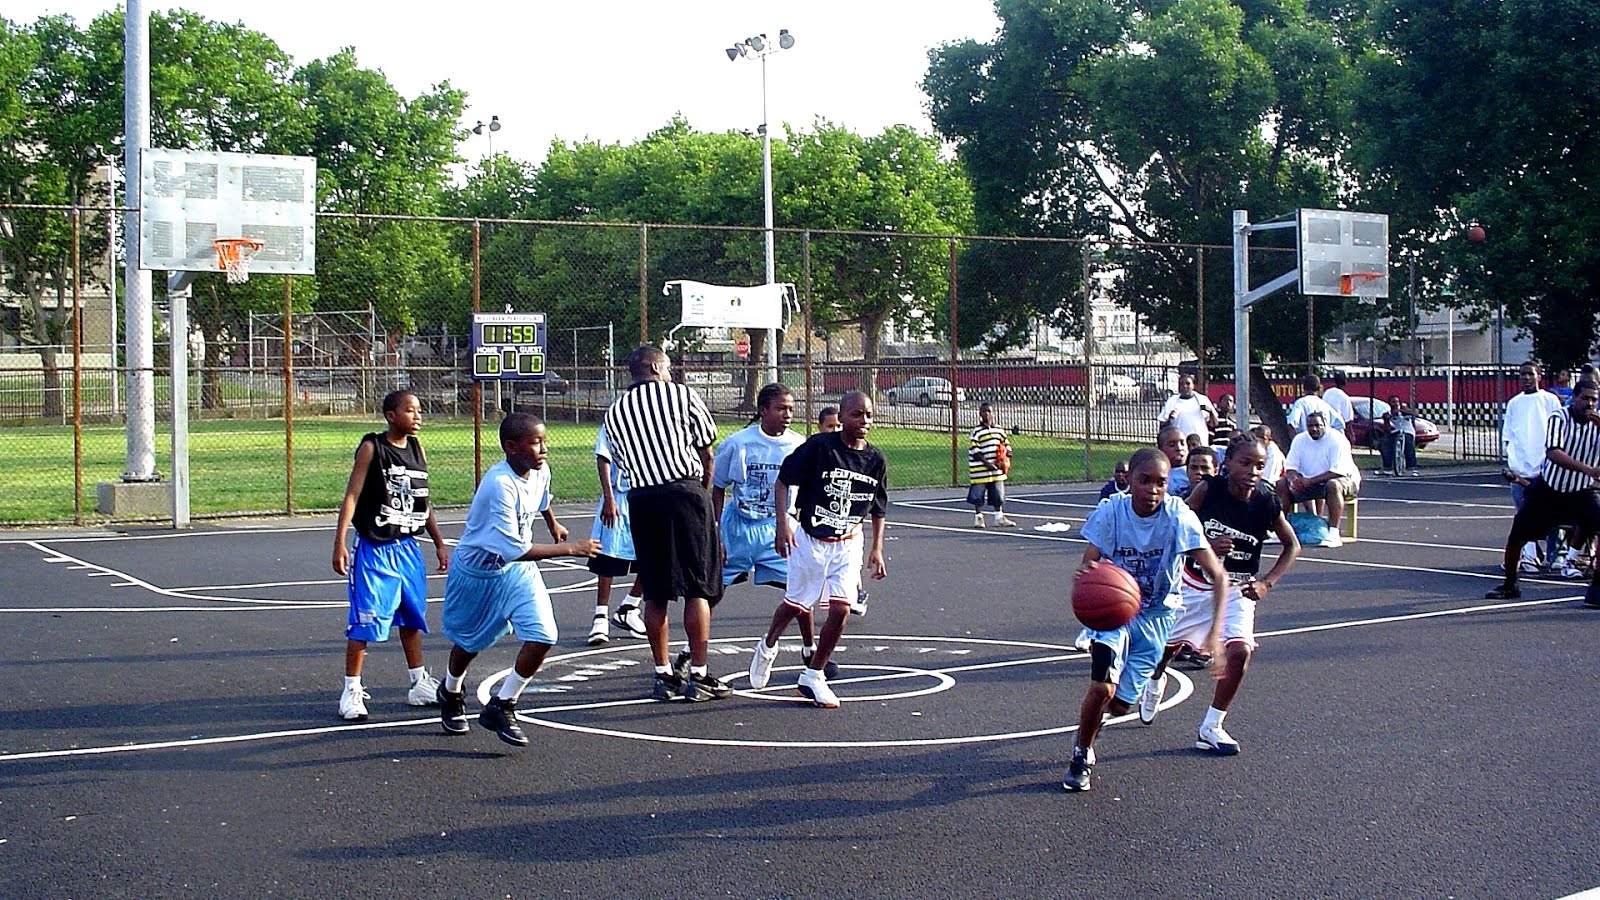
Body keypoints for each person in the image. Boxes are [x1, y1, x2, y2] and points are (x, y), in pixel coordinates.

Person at [1062, 447, 1228, 792]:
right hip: (1116, 613)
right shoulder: (1112, 512)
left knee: (1121, 704)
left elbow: (1218, 575)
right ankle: (1081, 754)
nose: (1153, 489)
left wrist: (1215, 634)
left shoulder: (1178, 517)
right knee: (1102, 686)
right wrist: (1089, 581)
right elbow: (1088, 563)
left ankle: (1093, 724)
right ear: (1130, 480)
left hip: (1156, 615)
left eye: (1161, 483)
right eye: (1145, 480)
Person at [435, 413, 600, 746]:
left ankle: (503, 704)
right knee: (469, 643)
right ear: (511, 447)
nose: (544, 449)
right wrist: (570, 548)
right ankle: (451, 691)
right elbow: (514, 549)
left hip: (517, 572)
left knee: (544, 635)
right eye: (536, 443)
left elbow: (541, 499)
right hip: (479, 572)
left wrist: (552, 522)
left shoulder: (540, 470)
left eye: (544, 441)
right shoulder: (499, 484)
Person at [1137, 434, 1301, 755]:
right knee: (1165, 650)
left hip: (1237, 589)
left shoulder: (1266, 501)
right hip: (1193, 584)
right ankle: (1155, 679)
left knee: (1240, 651)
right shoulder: (1208, 490)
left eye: (1260, 465)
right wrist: (1205, 547)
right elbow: (1176, 526)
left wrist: (1267, 583)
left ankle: (1212, 726)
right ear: (1227, 464)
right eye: (1245, 463)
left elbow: (1292, 545)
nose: (1253, 471)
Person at [601, 345, 731, 702]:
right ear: (657, 367)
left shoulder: (615, 411)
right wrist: (702, 491)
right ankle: (699, 674)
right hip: (684, 493)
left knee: (656, 590)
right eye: (669, 367)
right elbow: (706, 448)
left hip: (642, 499)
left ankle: (663, 675)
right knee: (698, 587)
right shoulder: (681, 395)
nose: (671, 373)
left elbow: (621, 458)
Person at [748, 391, 889, 708]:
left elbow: (879, 508)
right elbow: (783, 481)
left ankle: (813, 675)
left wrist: (877, 548)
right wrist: (782, 524)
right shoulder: (820, 447)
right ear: (842, 417)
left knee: (841, 609)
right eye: (856, 414)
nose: (863, 420)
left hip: (848, 542)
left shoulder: (876, 460)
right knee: (795, 604)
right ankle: (768, 645)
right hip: (811, 541)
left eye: (868, 414)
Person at [330, 389, 451, 722]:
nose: (418, 416)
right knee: (365, 622)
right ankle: (351, 690)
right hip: (375, 548)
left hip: (408, 548)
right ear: (391, 415)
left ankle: (418, 683)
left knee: (411, 618)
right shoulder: (372, 447)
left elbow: (422, 501)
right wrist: (340, 542)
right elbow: (352, 495)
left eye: (419, 410)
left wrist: (438, 541)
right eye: (410, 410)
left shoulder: (417, 449)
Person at [713, 383, 834, 675]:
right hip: (740, 526)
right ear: (763, 410)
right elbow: (717, 488)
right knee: (712, 590)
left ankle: (809, 648)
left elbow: (809, 489)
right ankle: (691, 654)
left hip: (779, 527)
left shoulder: (799, 445)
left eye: (791, 409)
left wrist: (802, 526)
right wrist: (715, 533)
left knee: (800, 588)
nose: (788, 414)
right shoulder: (738, 443)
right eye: (781, 408)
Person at [1486, 379, 1600, 608]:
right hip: (1550, 489)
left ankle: (1596, 588)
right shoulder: (1560, 417)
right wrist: (1588, 469)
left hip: (1581, 490)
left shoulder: (1597, 424)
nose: (1589, 404)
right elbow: (1553, 453)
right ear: (1574, 398)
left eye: (1593, 400)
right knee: (1517, 537)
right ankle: (1510, 583)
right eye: (1584, 398)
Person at [1499, 364, 1565, 575]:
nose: (1526, 378)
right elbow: (1509, 435)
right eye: (1523, 375)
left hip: (1547, 471)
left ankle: (1556, 555)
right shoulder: (1514, 403)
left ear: (1539, 376)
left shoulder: (1549, 400)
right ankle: (1530, 555)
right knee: (1524, 515)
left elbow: (1558, 431)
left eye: (1530, 374)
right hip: (1521, 470)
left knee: (1553, 515)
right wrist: (1514, 464)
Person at [584, 424, 646, 646]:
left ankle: (630, 606)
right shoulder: (615, 422)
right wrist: (609, 498)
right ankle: (600, 617)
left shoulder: (658, 420)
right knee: (607, 557)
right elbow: (603, 458)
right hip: (619, 496)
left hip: (648, 495)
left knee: (654, 556)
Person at [1276, 411, 1361, 548]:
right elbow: (1291, 466)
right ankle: (1280, 530)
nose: (1314, 429)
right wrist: (1293, 479)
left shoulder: (1337, 440)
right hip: (1310, 482)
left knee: (1333, 485)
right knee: (1281, 484)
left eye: (1318, 425)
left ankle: (1333, 533)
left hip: (1343, 479)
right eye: (1310, 426)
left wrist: (1309, 481)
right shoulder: (1300, 440)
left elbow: (1337, 471)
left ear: (1325, 424)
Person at [967, 402, 1017, 528]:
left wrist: (1005, 457)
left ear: (993, 413)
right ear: (980, 414)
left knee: (998, 494)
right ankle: (979, 517)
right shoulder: (976, 432)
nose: (986, 414)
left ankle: (999, 517)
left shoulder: (999, 430)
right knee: (977, 494)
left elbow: (1006, 444)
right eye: (984, 411)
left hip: (997, 470)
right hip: (980, 470)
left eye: (989, 411)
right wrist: (987, 463)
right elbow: (975, 451)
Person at [1156, 374, 1218, 446]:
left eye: (1188, 383)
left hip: (1199, 442)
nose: (1184, 386)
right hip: (1179, 443)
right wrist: (1170, 418)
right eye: (1181, 384)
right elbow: (1162, 425)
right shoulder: (1172, 401)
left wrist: (1210, 412)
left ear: (1193, 385)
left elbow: (1215, 424)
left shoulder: (1202, 400)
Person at [1377, 394, 1421, 477]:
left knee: (1408, 442)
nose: (1396, 404)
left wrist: (1402, 411)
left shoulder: (1404, 408)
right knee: (1385, 442)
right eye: (1393, 402)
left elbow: (1415, 412)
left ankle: (1412, 467)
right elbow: (1387, 430)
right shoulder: (1388, 413)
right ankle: (1387, 467)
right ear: (1389, 404)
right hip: (1396, 431)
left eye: (1397, 401)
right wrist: (1386, 420)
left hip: (1408, 431)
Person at [1158, 426, 1191, 498]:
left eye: (1182, 443)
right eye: (1172, 445)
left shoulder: (1194, 469)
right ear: (1160, 449)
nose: (1179, 448)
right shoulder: (1157, 472)